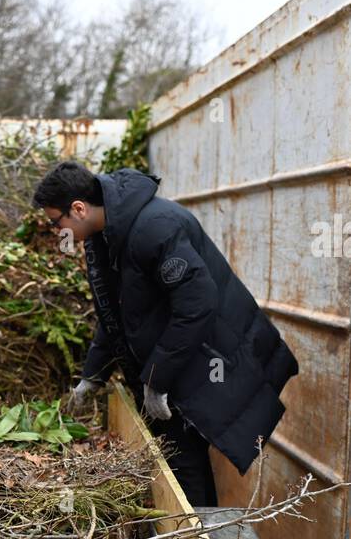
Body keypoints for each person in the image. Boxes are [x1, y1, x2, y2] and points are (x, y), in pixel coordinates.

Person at [33, 160, 298, 505]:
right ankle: (187, 537)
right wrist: (91, 378)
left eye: (57, 222)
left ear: (79, 209)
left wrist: (157, 378)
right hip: (181, 358)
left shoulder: (154, 228)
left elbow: (198, 305)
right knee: (179, 458)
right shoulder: (104, 235)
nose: (57, 231)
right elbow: (114, 316)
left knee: (184, 460)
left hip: (210, 358)